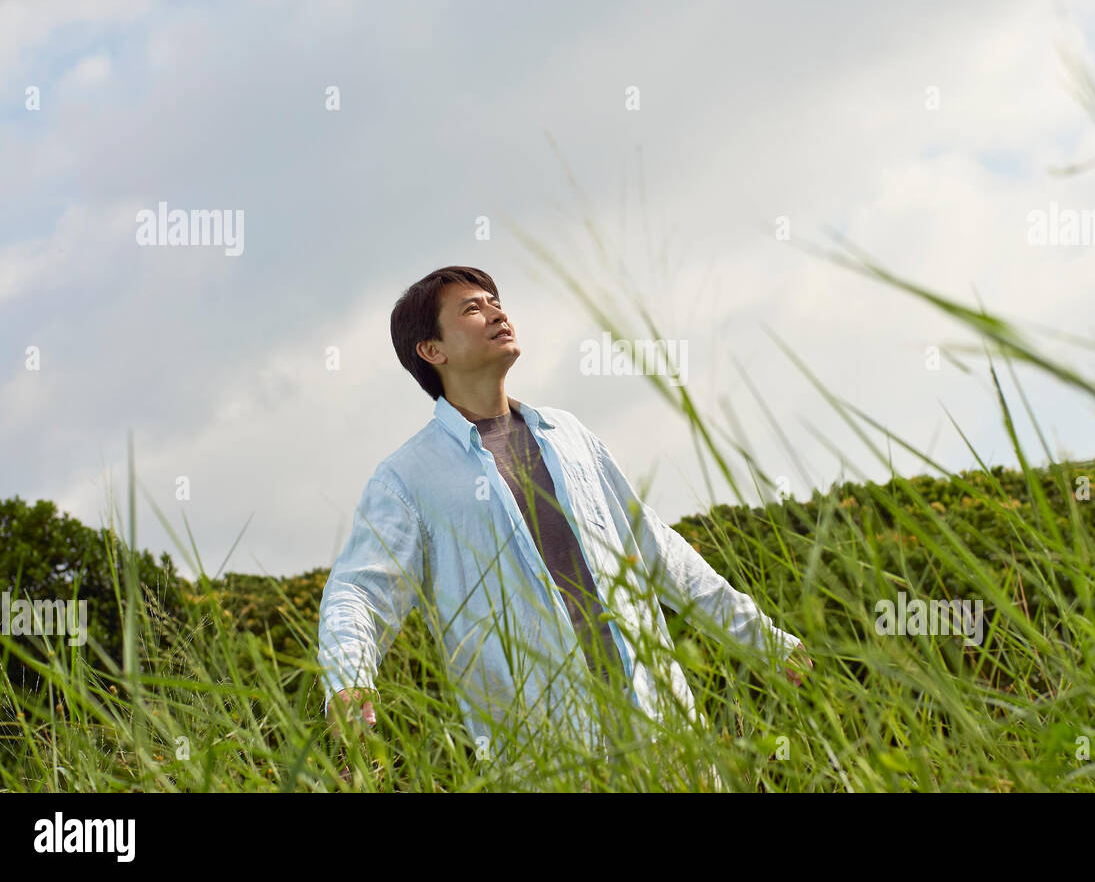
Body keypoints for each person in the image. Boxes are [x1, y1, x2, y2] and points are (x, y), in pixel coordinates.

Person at [318, 265, 812, 787]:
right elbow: (360, 591)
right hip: (545, 754)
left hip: (663, 729)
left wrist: (761, 637)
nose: (496, 312)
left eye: (494, 301)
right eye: (472, 308)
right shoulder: (409, 477)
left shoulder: (569, 435)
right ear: (432, 350)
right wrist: (349, 681)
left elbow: (654, 548)